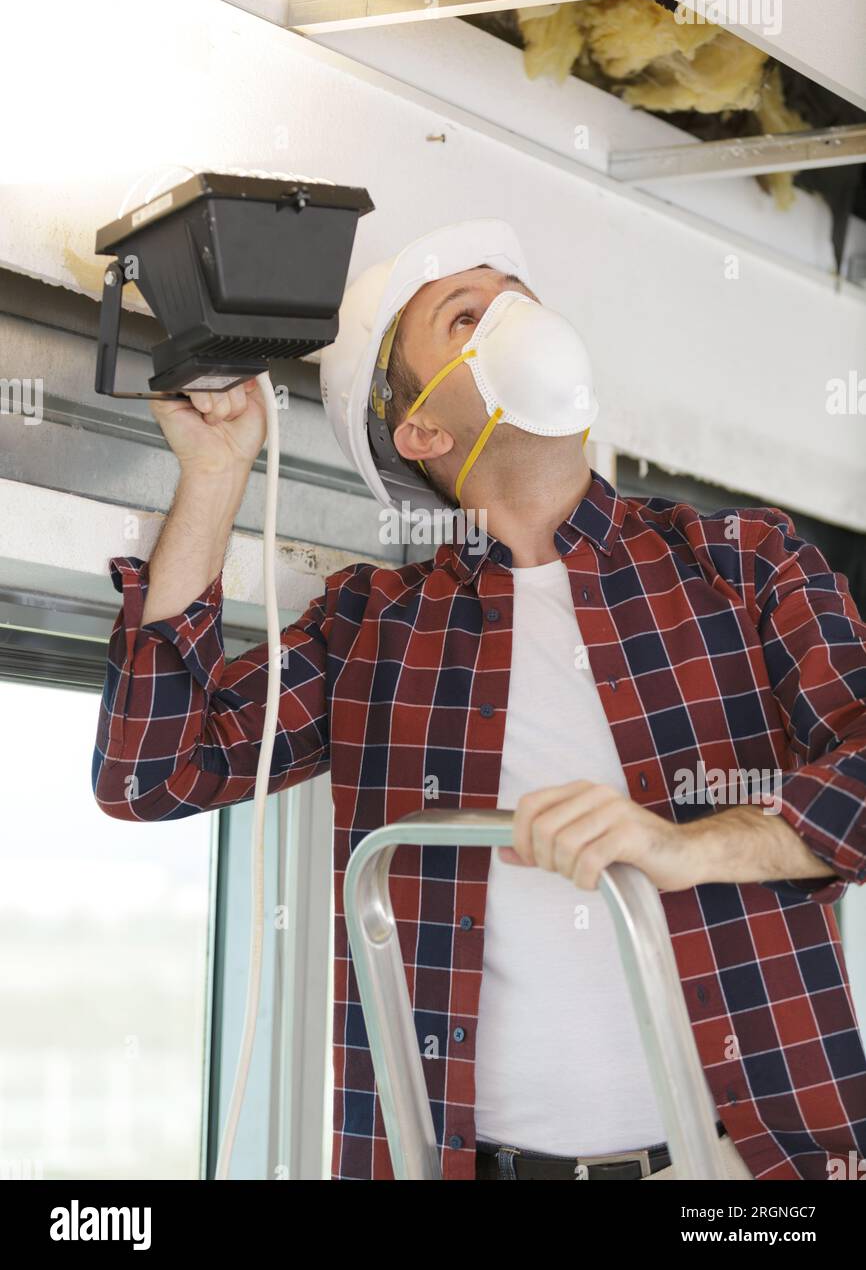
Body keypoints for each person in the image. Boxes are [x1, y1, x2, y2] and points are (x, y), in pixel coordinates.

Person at [93, 219, 866, 1181]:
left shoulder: (745, 563)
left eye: (517, 298)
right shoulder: (375, 630)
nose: (510, 316)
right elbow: (149, 770)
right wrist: (215, 474)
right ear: (423, 432)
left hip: (753, 1176)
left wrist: (690, 847)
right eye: (467, 314)